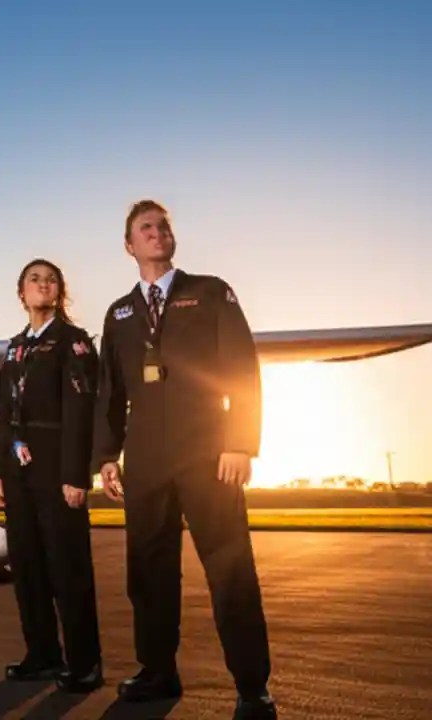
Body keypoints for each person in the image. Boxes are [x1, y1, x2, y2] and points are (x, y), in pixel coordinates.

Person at [93, 200, 276, 719]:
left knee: (229, 566)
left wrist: (240, 441)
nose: (157, 233)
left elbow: (242, 367)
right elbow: (111, 390)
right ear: (129, 246)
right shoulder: (119, 313)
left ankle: (251, 685)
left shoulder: (210, 292)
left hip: (207, 451)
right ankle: (157, 670)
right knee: (148, 572)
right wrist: (107, 455)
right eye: (145, 228)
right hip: (145, 458)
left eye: (163, 226)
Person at [0, 258, 103, 692]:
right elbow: (5, 412)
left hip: (57, 469)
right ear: (22, 292)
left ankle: (85, 662)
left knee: (67, 567)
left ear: (60, 292)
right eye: (34, 279)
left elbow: (80, 411)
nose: (43, 284)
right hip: (17, 473)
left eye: (51, 279)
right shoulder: (15, 347)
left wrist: (76, 474)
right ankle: (42, 654)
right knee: (29, 566)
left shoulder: (73, 343)